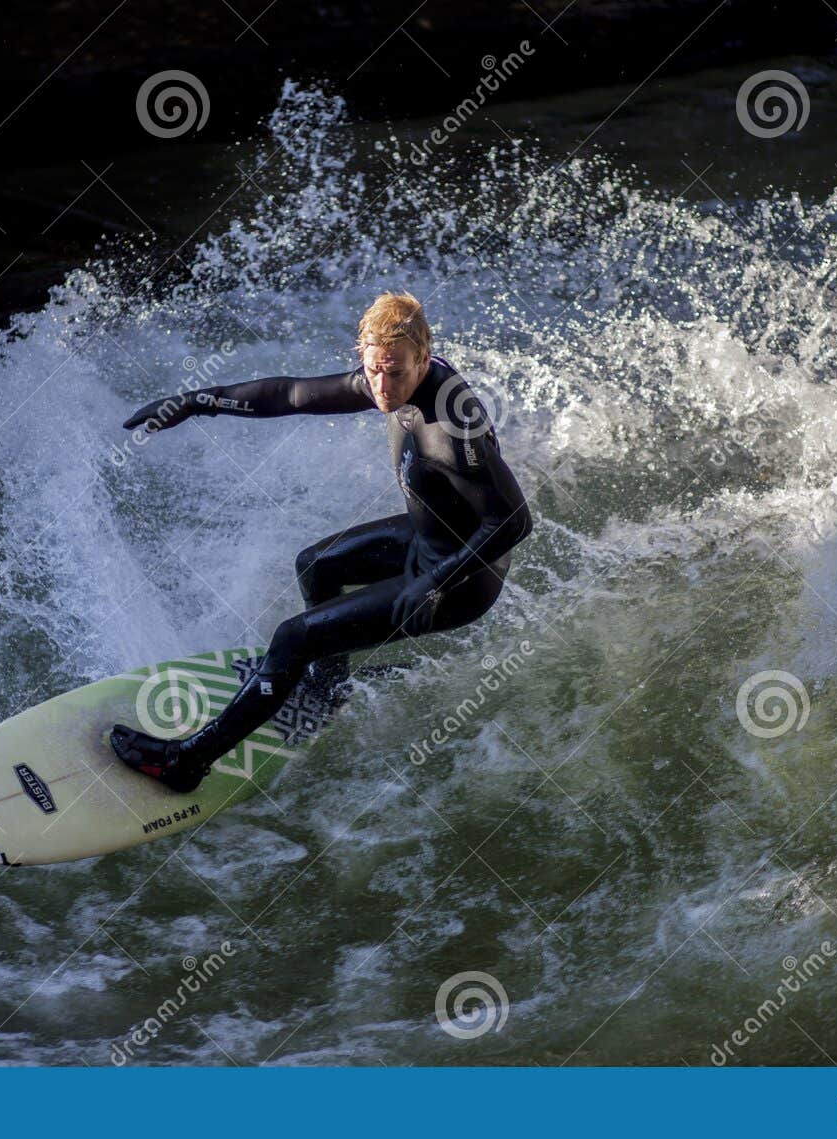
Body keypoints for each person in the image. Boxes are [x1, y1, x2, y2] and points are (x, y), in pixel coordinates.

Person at [109, 292, 532, 791]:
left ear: (424, 357)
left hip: (462, 581)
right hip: (429, 539)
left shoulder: (452, 429)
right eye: (373, 370)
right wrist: (200, 400)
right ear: (365, 355)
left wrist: (434, 584)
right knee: (316, 565)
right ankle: (329, 684)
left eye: (396, 373)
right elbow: (290, 395)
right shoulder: (392, 374)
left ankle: (186, 763)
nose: (382, 386)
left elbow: (513, 521)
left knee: (294, 636)